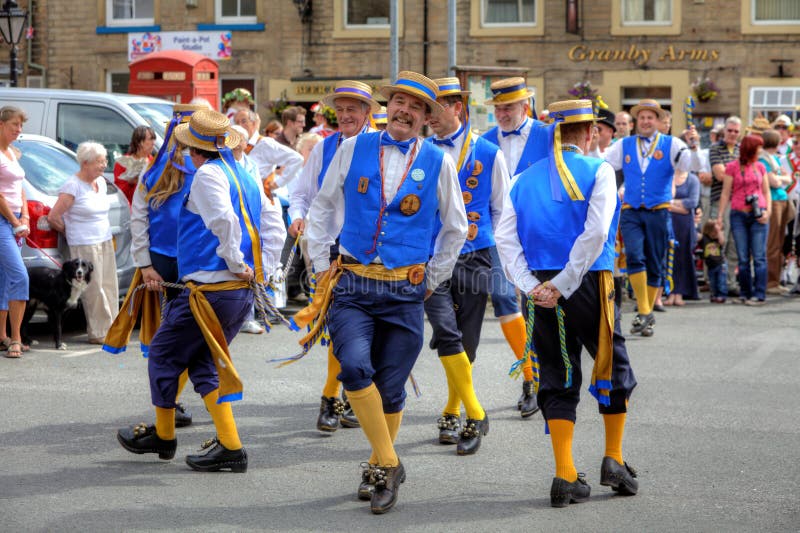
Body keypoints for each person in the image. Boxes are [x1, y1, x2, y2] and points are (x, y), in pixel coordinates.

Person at [305, 71, 466, 514]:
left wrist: (433, 278)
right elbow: (321, 207)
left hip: (405, 291)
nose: (404, 111)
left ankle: (377, 466)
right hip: (353, 284)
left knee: (392, 389)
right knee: (354, 368)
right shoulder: (354, 147)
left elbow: (455, 229)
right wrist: (321, 267)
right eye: (399, 101)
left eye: (415, 107)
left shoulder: (439, 161)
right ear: (386, 106)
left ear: (427, 118)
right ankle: (392, 464)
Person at [116, 109, 285, 472]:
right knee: (202, 362)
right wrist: (262, 270)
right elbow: (275, 226)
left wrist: (238, 263)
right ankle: (229, 445)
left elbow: (224, 223)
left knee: (163, 354)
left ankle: (163, 436)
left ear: (194, 148)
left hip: (212, 288)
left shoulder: (208, 173)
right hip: (232, 291)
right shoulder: (244, 173)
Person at [496, 99, 638, 508]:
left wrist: (533, 285)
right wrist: (564, 283)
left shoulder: (522, 178)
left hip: (540, 285)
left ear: (551, 132)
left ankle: (564, 473)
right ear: (590, 132)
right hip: (590, 280)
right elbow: (595, 235)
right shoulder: (600, 170)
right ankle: (613, 458)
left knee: (556, 372)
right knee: (611, 364)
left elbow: (506, 239)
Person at [105, 103, 205, 427]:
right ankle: (170, 403)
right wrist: (146, 265)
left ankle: (173, 400)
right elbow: (139, 218)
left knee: (187, 335)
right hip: (167, 262)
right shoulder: (157, 171)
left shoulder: (207, 169)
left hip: (196, 261)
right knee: (174, 335)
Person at [289, 80, 379, 434]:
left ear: (367, 114)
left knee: (373, 327)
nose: (344, 116)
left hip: (374, 250)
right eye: (339, 110)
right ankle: (331, 398)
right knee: (337, 321)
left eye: (351, 110)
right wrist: (297, 215)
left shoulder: (382, 147)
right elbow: (301, 193)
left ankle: (359, 394)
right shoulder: (325, 148)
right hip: (330, 247)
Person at [424, 77, 507, 454]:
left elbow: (501, 210)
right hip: (434, 255)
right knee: (445, 328)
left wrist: (505, 261)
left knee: (467, 335)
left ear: (457, 107)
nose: (430, 118)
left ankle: (452, 407)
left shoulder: (489, 152)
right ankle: (473, 412)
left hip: (475, 252)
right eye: (427, 110)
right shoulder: (422, 149)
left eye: (436, 109)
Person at [603, 99, 702, 337]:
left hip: (659, 211)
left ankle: (645, 314)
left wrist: (694, 146)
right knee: (635, 256)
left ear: (658, 121)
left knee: (656, 263)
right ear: (637, 122)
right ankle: (645, 311)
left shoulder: (672, 144)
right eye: (642, 118)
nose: (646, 122)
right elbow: (603, 166)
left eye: (650, 117)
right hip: (632, 211)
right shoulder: (624, 145)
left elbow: (694, 165)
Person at [481, 76, 550, 415]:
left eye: (508, 107)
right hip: (496, 235)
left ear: (526, 106)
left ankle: (551, 374)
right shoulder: (483, 141)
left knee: (540, 302)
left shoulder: (549, 135)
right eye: (497, 108)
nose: (502, 114)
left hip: (540, 231)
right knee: (507, 299)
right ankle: (531, 378)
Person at [48, 142, 119, 344]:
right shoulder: (73, 186)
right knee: (94, 289)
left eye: (105, 160)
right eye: (100, 161)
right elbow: (54, 216)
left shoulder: (101, 183)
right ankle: (99, 332)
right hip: (84, 243)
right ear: (85, 163)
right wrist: (70, 231)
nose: (104, 165)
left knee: (109, 285)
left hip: (104, 239)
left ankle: (113, 328)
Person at [717, 134, 771, 305]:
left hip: (758, 213)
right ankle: (745, 293)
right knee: (742, 257)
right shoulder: (732, 167)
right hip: (738, 213)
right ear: (751, 149)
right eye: (758, 147)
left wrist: (768, 211)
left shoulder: (761, 167)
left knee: (759, 256)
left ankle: (759, 294)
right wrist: (720, 216)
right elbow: (726, 193)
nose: (760, 150)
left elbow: (766, 191)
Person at [0, 106, 30, 359]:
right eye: (14, 125)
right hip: (2, 221)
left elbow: (20, 188)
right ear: (1, 124)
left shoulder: (11, 153)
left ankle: (2, 336)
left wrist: (25, 217)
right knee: (20, 276)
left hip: (14, 221)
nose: (18, 130)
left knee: (4, 279)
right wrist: (14, 220)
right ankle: (16, 339)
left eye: (21, 126)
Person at [709, 116, 743, 293]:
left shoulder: (741, 149)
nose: (732, 134)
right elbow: (720, 175)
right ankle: (715, 281)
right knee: (716, 241)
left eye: (736, 131)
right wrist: (739, 173)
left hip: (738, 201)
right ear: (724, 131)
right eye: (730, 130)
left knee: (734, 245)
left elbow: (728, 173)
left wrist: (731, 171)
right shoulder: (715, 148)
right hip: (718, 200)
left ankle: (730, 282)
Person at [758, 129, 794, 294]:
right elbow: (774, 182)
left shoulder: (774, 159)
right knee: (772, 242)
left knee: (780, 242)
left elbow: (788, 178)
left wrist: (781, 179)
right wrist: (782, 179)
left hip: (782, 199)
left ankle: (776, 279)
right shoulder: (764, 159)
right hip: (773, 200)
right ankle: (770, 281)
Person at [664, 170, 700, 305]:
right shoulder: (667, 175)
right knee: (668, 258)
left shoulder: (692, 179)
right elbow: (662, 199)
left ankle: (680, 293)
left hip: (685, 224)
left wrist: (671, 204)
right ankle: (670, 293)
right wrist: (679, 206)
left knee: (683, 257)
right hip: (667, 222)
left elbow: (692, 203)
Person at [113, 125, 156, 204]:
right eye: (150, 139)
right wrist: (130, 183)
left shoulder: (153, 161)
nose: (154, 143)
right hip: (131, 209)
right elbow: (120, 194)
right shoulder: (123, 163)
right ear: (139, 142)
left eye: (154, 139)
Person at [700, 219, 727, 303]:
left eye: (717, 232)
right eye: (714, 232)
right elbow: (697, 236)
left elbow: (723, 242)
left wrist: (719, 231)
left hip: (721, 264)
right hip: (711, 265)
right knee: (712, 282)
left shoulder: (718, 239)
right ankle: (714, 294)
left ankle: (721, 295)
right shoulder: (704, 238)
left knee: (721, 281)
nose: (716, 234)